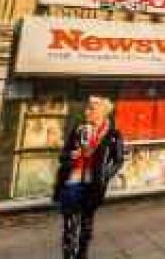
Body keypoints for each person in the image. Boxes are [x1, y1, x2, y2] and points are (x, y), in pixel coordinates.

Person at [54, 96, 125, 259]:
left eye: (91, 109)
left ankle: (82, 253)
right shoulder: (78, 130)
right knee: (69, 224)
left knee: (86, 222)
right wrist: (71, 155)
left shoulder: (113, 135)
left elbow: (119, 160)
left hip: (94, 184)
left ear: (102, 112)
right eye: (87, 108)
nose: (86, 112)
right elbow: (63, 155)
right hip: (72, 180)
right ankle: (68, 252)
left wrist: (106, 174)